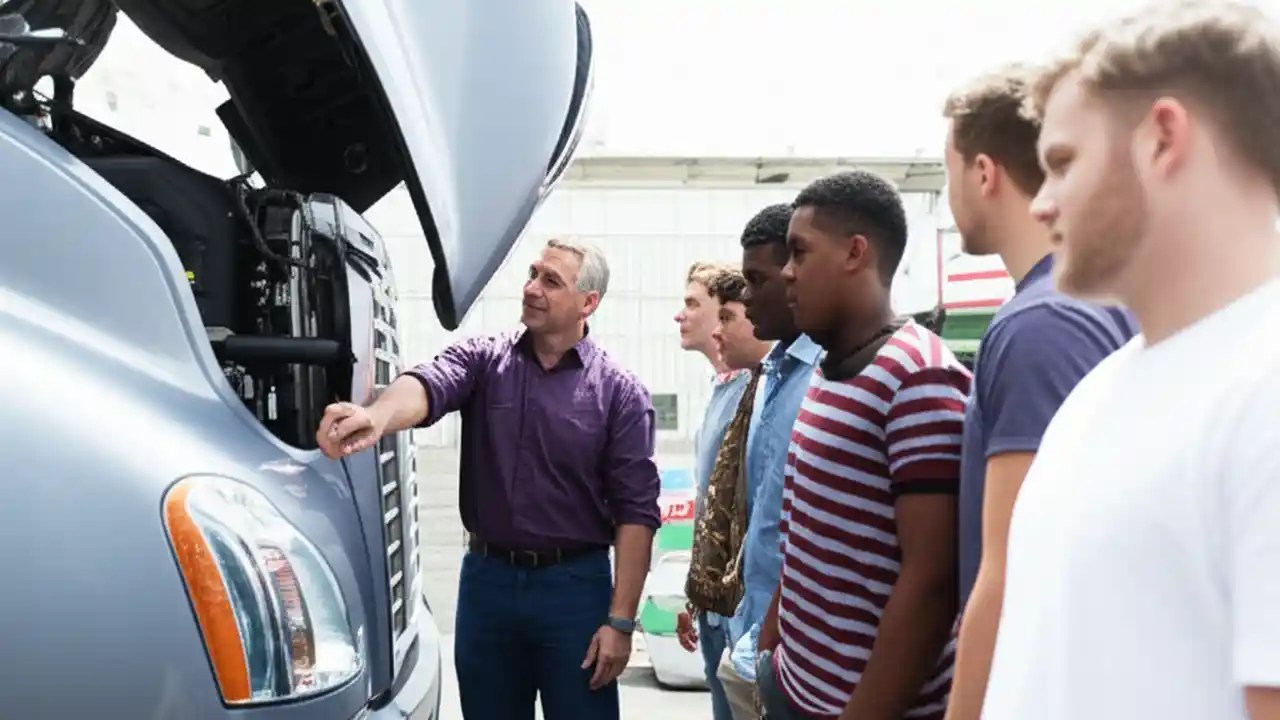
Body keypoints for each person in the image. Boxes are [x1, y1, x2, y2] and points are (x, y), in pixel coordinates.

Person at [982, 2, 1280, 719]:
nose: (1043, 202)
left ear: (1162, 138)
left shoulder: (1264, 393)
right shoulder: (1104, 388)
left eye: (1062, 163)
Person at [315, 237, 661, 720]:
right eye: (533, 273)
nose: (531, 288)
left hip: (575, 591)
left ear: (588, 303)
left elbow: (636, 516)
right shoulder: (486, 360)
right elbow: (429, 383)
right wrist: (377, 416)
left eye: (551, 281)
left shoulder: (620, 394)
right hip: (488, 585)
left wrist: (620, 622)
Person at [938, 64, 1138, 720]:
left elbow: (1013, 571)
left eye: (949, 172)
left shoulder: (1039, 325)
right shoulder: (1097, 303)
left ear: (984, 173)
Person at [757, 171, 971, 720]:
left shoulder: (918, 377)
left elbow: (932, 581)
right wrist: (774, 639)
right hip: (797, 686)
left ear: (855, 252)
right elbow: (808, 524)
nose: (786, 273)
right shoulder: (831, 368)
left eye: (800, 253)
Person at [713, 203, 824, 720]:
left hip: (797, 649)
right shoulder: (771, 377)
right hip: (753, 635)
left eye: (756, 280)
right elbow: (759, 514)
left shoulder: (828, 377)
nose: (747, 295)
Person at [673, 261, 753, 720]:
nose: (680, 315)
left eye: (692, 304)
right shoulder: (719, 390)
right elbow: (712, 510)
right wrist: (696, 595)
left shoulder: (756, 391)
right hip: (714, 606)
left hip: (743, 607)